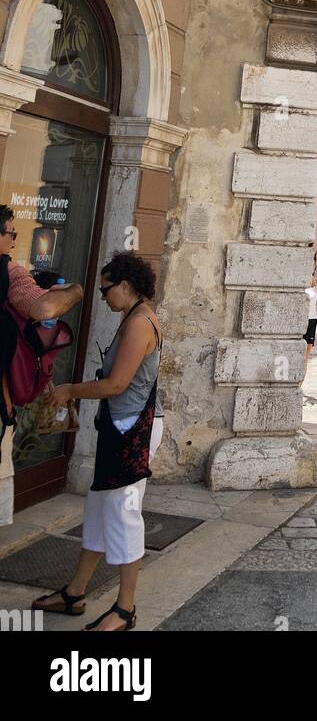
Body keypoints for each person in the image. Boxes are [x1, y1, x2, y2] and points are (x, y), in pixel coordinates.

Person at [35, 252, 163, 631]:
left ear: (125, 286)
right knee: (98, 512)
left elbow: (116, 384)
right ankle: (75, 592)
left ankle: (125, 609)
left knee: (123, 517)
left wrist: (71, 390)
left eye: (107, 289)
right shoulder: (132, 317)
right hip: (120, 428)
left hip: (131, 432)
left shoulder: (140, 323)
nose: (104, 297)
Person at [0, 205, 84, 523]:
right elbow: (44, 309)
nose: (12, 241)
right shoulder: (9, 273)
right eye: (11, 234)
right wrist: (74, 291)